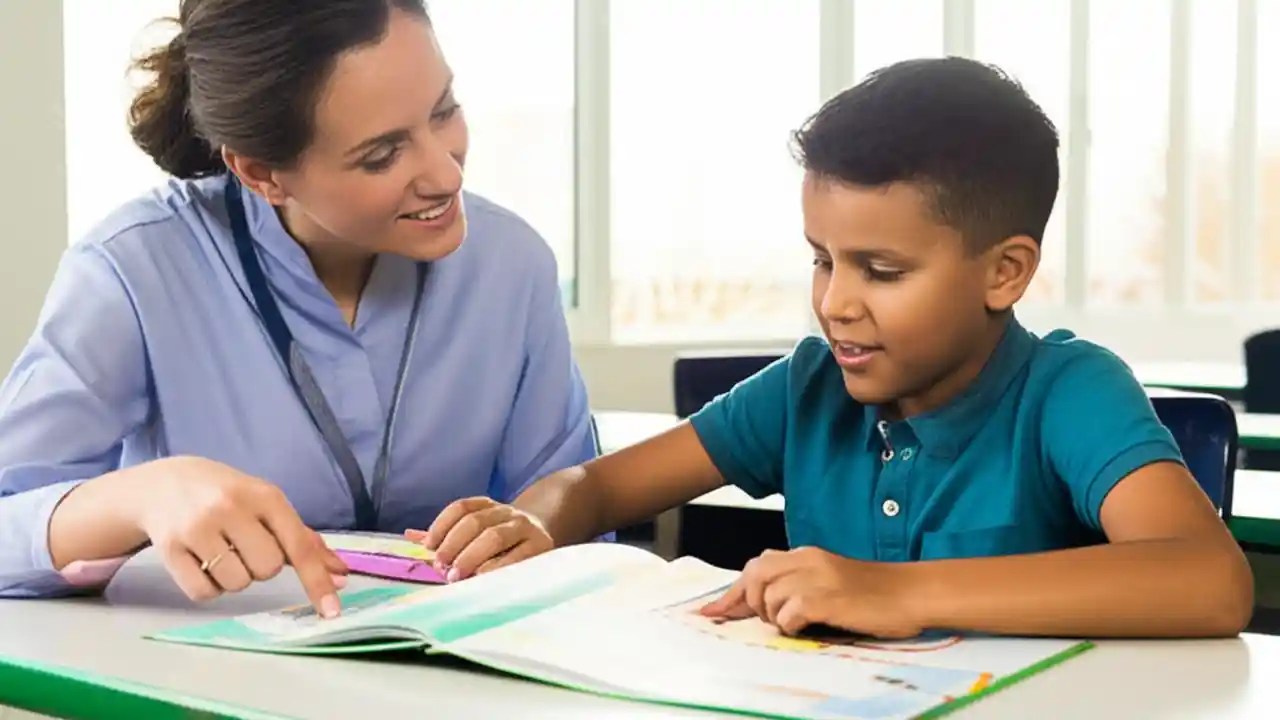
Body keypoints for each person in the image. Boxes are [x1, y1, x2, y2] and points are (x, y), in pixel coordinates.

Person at [416, 57, 1254, 639]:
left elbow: (1210, 581)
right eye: (822, 260)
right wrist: (532, 518)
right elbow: (595, 486)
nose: (834, 303)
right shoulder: (808, 387)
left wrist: (894, 591)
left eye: (882, 271)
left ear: (1005, 273)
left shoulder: (1069, 391)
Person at [0, 0, 595, 619]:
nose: (446, 174)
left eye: (443, 110)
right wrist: (137, 497)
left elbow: (576, 516)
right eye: (383, 154)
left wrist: (533, 532)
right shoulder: (134, 269)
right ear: (263, 173)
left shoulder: (512, 265)